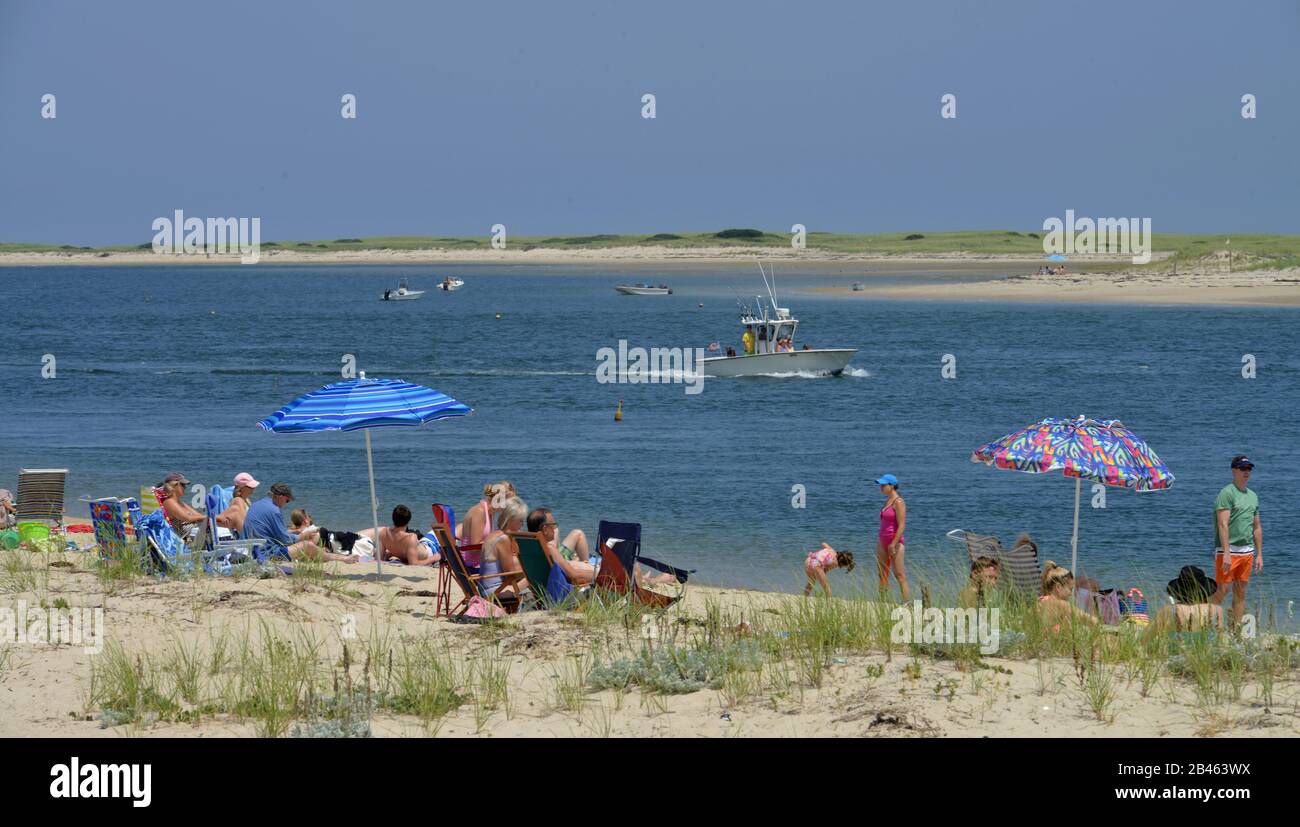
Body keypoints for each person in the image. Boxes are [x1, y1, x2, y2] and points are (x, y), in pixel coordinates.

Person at [242, 482, 356, 563]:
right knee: (308, 545)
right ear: (280, 497)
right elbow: (285, 540)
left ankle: (321, 555)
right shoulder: (274, 510)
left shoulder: (257, 504)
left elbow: (273, 532)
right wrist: (303, 535)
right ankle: (342, 558)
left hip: (251, 550)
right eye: (287, 500)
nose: (286, 503)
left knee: (312, 543)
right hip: (266, 554)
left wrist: (296, 531)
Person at [1211, 455, 1262, 628]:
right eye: (1243, 469)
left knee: (1240, 593)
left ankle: (1236, 631)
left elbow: (1256, 527)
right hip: (1228, 550)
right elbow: (1222, 524)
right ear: (1234, 471)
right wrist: (1226, 553)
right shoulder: (1227, 493)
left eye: (1249, 469)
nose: (1246, 472)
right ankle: (1201, 621)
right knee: (1223, 590)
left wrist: (1259, 554)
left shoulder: (1253, 496)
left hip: (1247, 551)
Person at [526, 507, 596, 585]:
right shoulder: (549, 549)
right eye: (553, 524)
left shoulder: (529, 547)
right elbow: (574, 576)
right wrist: (600, 575)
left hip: (542, 589)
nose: (555, 527)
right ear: (545, 529)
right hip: (561, 591)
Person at [480, 496, 529, 598]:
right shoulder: (503, 539)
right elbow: (510, 575)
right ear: (510, 519)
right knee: (537, 574)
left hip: (487, 588)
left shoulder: (494, 534)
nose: (522, 524)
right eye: (520, 520)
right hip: (496, 591)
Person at [459, 481, 516, 568]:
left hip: (480, 562)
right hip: (472, 565)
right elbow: (474, 547)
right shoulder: (480, 511)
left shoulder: (489, 513)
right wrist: (499, 543)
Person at [1153, 565, 1224, 634]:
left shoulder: (1168, 610)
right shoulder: (1217, 610)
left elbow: (1145, 639)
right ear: (1205, 590)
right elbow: (1221, 640)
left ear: (1179, 590)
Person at [358, 504, 438, 566]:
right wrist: (434, 558)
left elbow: (379, 559)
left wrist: (391, 553)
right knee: (439, 531)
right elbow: (414, 564)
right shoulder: (411, 537)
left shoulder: (384, 533)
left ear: (393, 518)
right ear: (408, 522)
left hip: (423, 546)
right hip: (432, 548)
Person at [874, 474, 910, 602]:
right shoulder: (887, 500)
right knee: (882, 574)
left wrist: (893, 543)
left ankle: (906, 602)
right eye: (881, 485)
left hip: (895, 542)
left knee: (899, 574)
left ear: (892, 485)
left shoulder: (898, 501)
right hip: (882, 541)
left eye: (884, 485)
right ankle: (882, 601)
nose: (881, 487)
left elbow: (902, 525)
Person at [1038, 561, 1098, 633]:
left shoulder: (1040, 600)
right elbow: (1092, 621)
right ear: (1058, 587)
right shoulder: (1061, 604)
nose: (1070, 594)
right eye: (1070, 589)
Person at [156, 472, 205, 542]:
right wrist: (207, 517)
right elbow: (188, 518)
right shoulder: (169, 502)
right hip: (182, 535)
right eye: (183, 485)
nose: (185, 487)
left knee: (213, 524)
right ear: (174, 486)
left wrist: (207, 518)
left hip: (191, 531)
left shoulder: (178, 502)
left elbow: (197, 515)